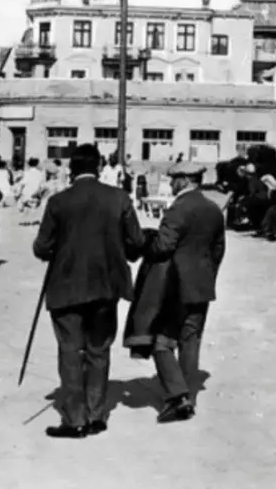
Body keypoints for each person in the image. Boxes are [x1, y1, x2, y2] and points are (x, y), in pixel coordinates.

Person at [33, 144, 145, 439]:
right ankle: (97, 415)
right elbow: (136, 242)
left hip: (66, 287)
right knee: (99, 350)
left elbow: (41, 247)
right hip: (106, 287)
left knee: (70, 352)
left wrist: (58, 248)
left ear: (72, 169)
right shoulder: (119, 198)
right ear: (98, 167)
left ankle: (75, 420)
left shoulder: (58, 202)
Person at [141, 160, 226, 424]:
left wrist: (146, 241)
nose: (171, 183)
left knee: (161, 341)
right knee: (191, 340)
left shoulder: (178, 209)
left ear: (185, 181)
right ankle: (190, 397)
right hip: (202, 285)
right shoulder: (213, 209)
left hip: (175, 285)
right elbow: (218, 250)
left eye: (174, 179)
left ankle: (178, 397)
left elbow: (164, 247)